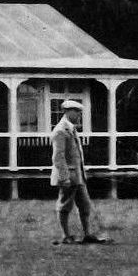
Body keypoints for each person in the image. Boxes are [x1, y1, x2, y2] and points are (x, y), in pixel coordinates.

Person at [51, 99, 106, 244]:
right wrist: (64, 177)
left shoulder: (72, 129)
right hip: (68, 176)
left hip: (78, 176)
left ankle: (87, 234)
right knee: (65, 205)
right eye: (77, 112)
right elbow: (58, 156)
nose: (79, 115)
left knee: (85, 205)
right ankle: (65, 235)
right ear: (68, 112)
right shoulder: (60, 130)